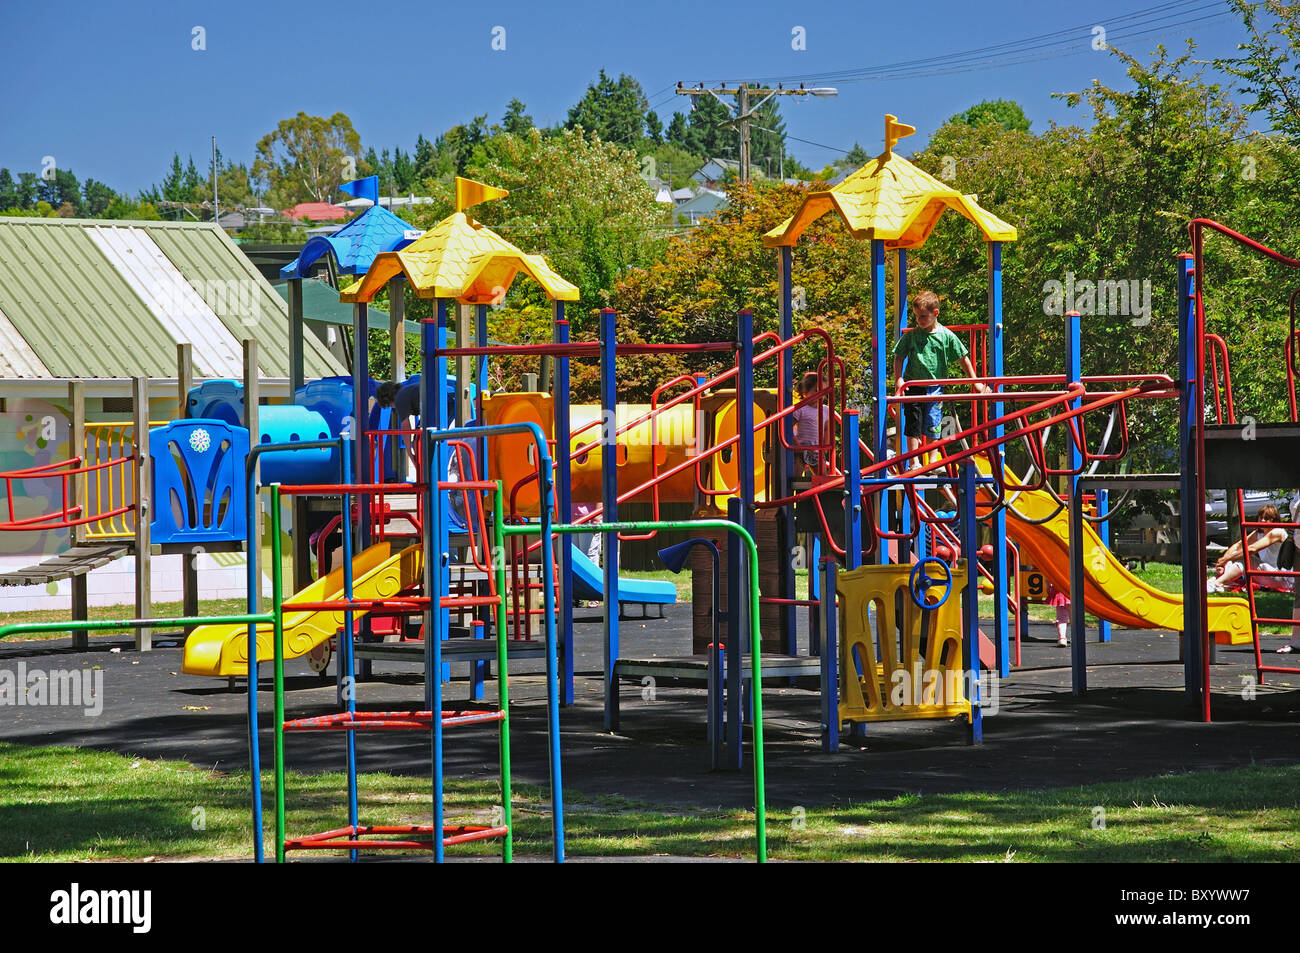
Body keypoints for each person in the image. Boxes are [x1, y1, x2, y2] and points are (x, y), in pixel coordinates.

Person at [891, 290, 988, 464]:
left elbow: (963, 358)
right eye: (917, 317)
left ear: (935, 313)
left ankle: (933, 461)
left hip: (936, 387)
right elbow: (898, 356)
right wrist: (899, 379)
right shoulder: (912, 336)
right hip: (914, 385)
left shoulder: (946, 335)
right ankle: (914, 462)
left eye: (923, 316)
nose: (919, 321)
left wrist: (976, 382)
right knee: (913, 423)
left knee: (934, 424)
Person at [1207, 504, 1291, 593]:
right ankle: (1216, 581)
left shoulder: (1277, 532)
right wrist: (1223, 562)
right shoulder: (1259, 533)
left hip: (1282, 579)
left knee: (1245, 557)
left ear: (1274, 520)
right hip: (1267, 575)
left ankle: (1217, 583)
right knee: (1237, 555)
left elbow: (1252, 549)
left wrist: (1226, 559)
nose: (1262, 520)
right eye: (1260, 518)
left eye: (1266, 519)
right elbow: (1238, 545)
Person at [792, 371, 830, 475]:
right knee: (796, 475)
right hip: (801, 449)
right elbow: (788, 427)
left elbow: (827, 429)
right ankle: (796, 491)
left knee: (822, 476)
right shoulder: (800, 409)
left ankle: (823, 491)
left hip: (817, 449)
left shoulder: (825, 410)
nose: (820, 395)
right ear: (805, 391)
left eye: (824, 392)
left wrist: (826, 446)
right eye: (816, 391)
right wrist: (796, 444)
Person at [1046, 582, 1070, 647]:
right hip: (1073, 590)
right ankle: (1078, 637)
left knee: (1061, 618)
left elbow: (1048, 576)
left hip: (1059, 592)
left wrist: (1048, 586)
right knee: (1075, 616)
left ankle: (1062, 639)